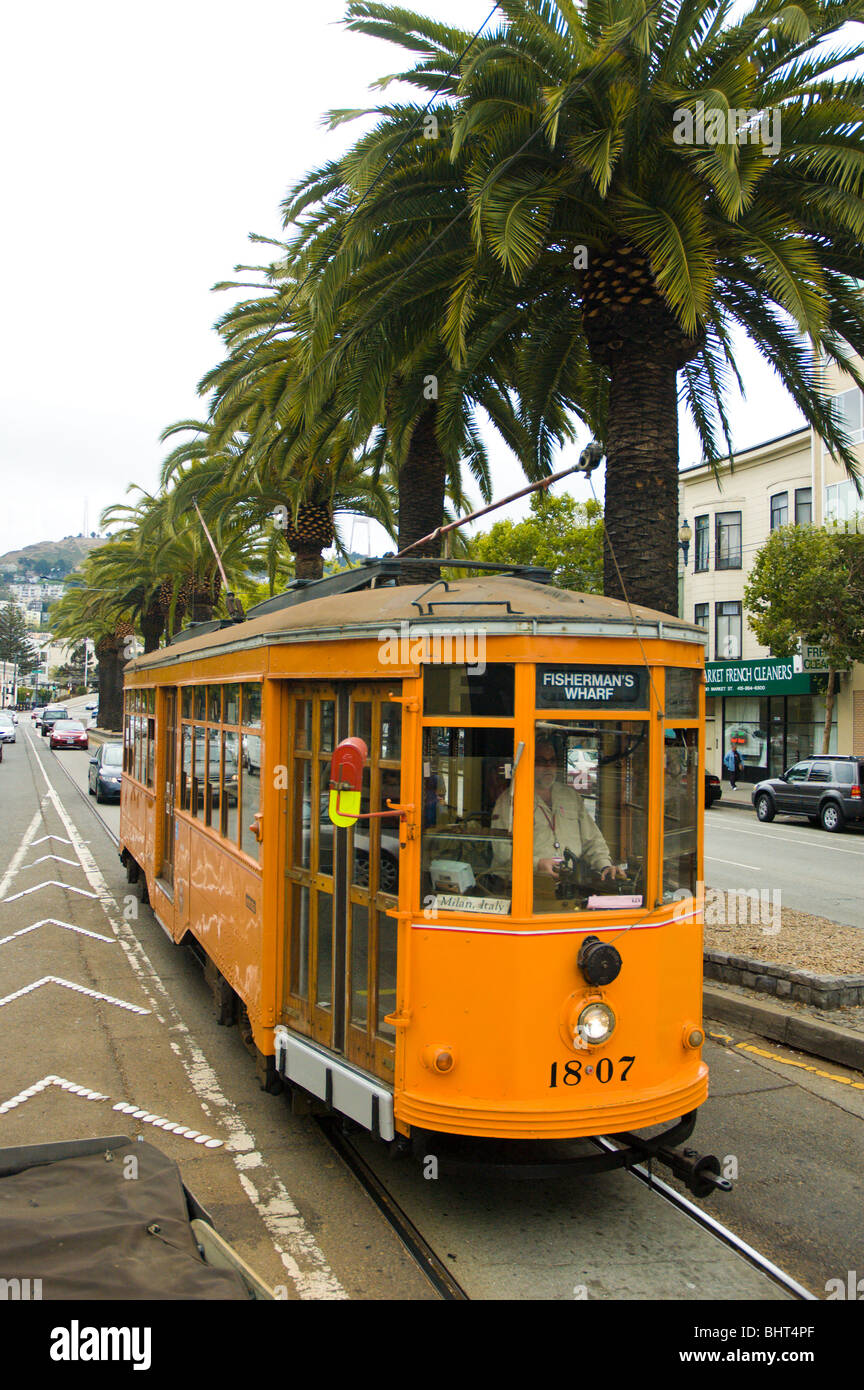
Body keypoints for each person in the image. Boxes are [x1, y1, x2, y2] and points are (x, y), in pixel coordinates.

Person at [491, 739, 625, 882]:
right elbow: (502, 851)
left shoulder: (570, 796)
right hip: (525, 884)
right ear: (529, 763)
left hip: (569, 882)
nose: (548, 767)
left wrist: (605, 866)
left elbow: (592, 839)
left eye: (552, 761)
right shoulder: (509, 800)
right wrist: (537, 864)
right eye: (541, 761)